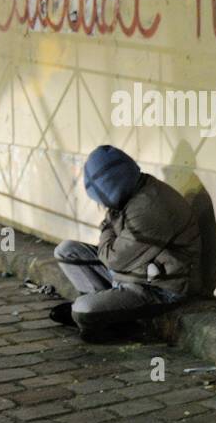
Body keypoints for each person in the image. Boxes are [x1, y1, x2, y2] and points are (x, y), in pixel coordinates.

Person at [50, 145, 202, 340]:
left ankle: (106, 316)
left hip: (159, 287)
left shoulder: (149, 208)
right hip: (134, 271)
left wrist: (107, 226)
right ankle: (106, 308)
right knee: (66, 251)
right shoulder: (134, 189)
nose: (103, 207)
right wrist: (110, 224)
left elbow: (112, 258)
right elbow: (113, 245)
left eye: (103, 202)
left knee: (82, 310)